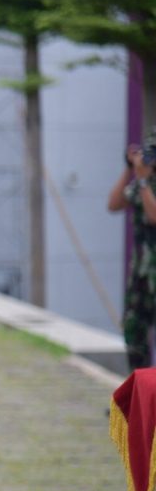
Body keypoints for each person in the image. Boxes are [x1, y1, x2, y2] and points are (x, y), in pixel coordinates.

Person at [107, 136, 156, 370]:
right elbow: (114, 204)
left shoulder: (145, 185)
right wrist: (129, 170)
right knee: (133, 328)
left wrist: (144, 182)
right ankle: (138, 396)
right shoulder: (140, 184)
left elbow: (154, 217)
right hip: (141, 274)